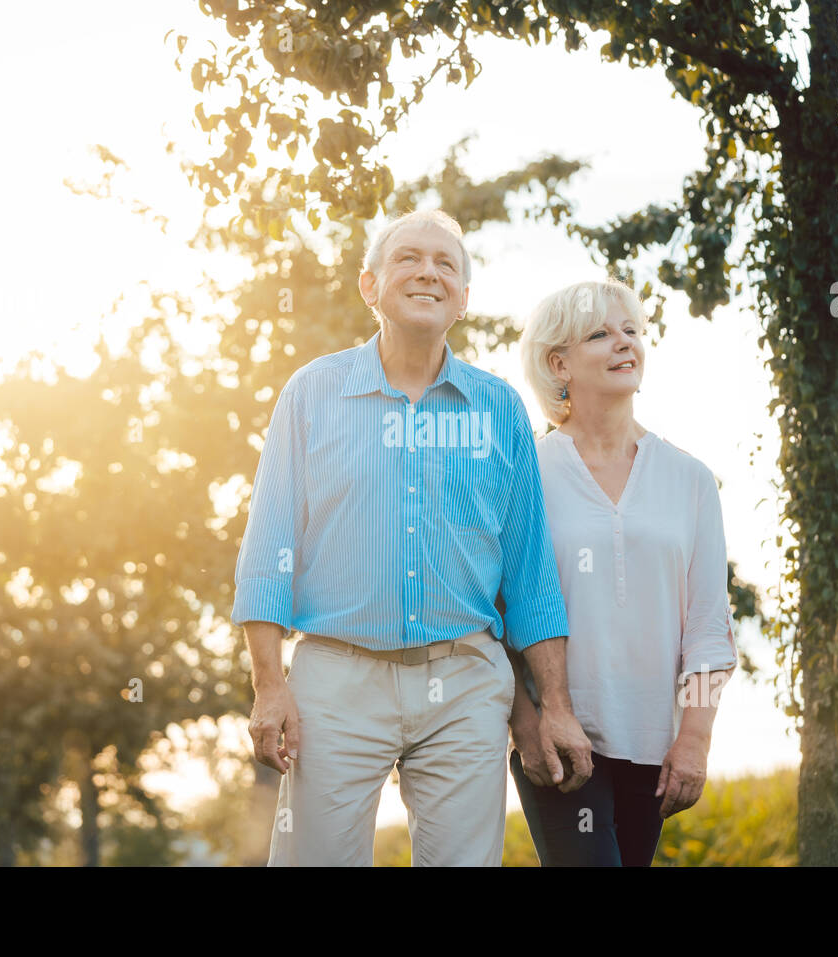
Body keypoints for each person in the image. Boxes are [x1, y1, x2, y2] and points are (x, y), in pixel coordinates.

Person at [231, 209, 593, 866]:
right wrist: (268, 683)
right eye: (409, 258)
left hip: (465, 684)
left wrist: (554, 708)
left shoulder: (500, 409)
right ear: (369, 285)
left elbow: (531, 574)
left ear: (462, 299)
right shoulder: (312, 394)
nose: (428, 271)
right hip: (335, 683)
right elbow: (268, 550)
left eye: (445, 264)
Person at [509, 278, 738, 866]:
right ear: (558, 363)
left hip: (654, 749)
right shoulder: (524, 474)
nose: (624, 343)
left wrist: (695, 738)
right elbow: (495, 613)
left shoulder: (691, 480)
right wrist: (526, 723)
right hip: (561, 742)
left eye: (632, 331)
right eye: (600, 334)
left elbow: (710, 629)